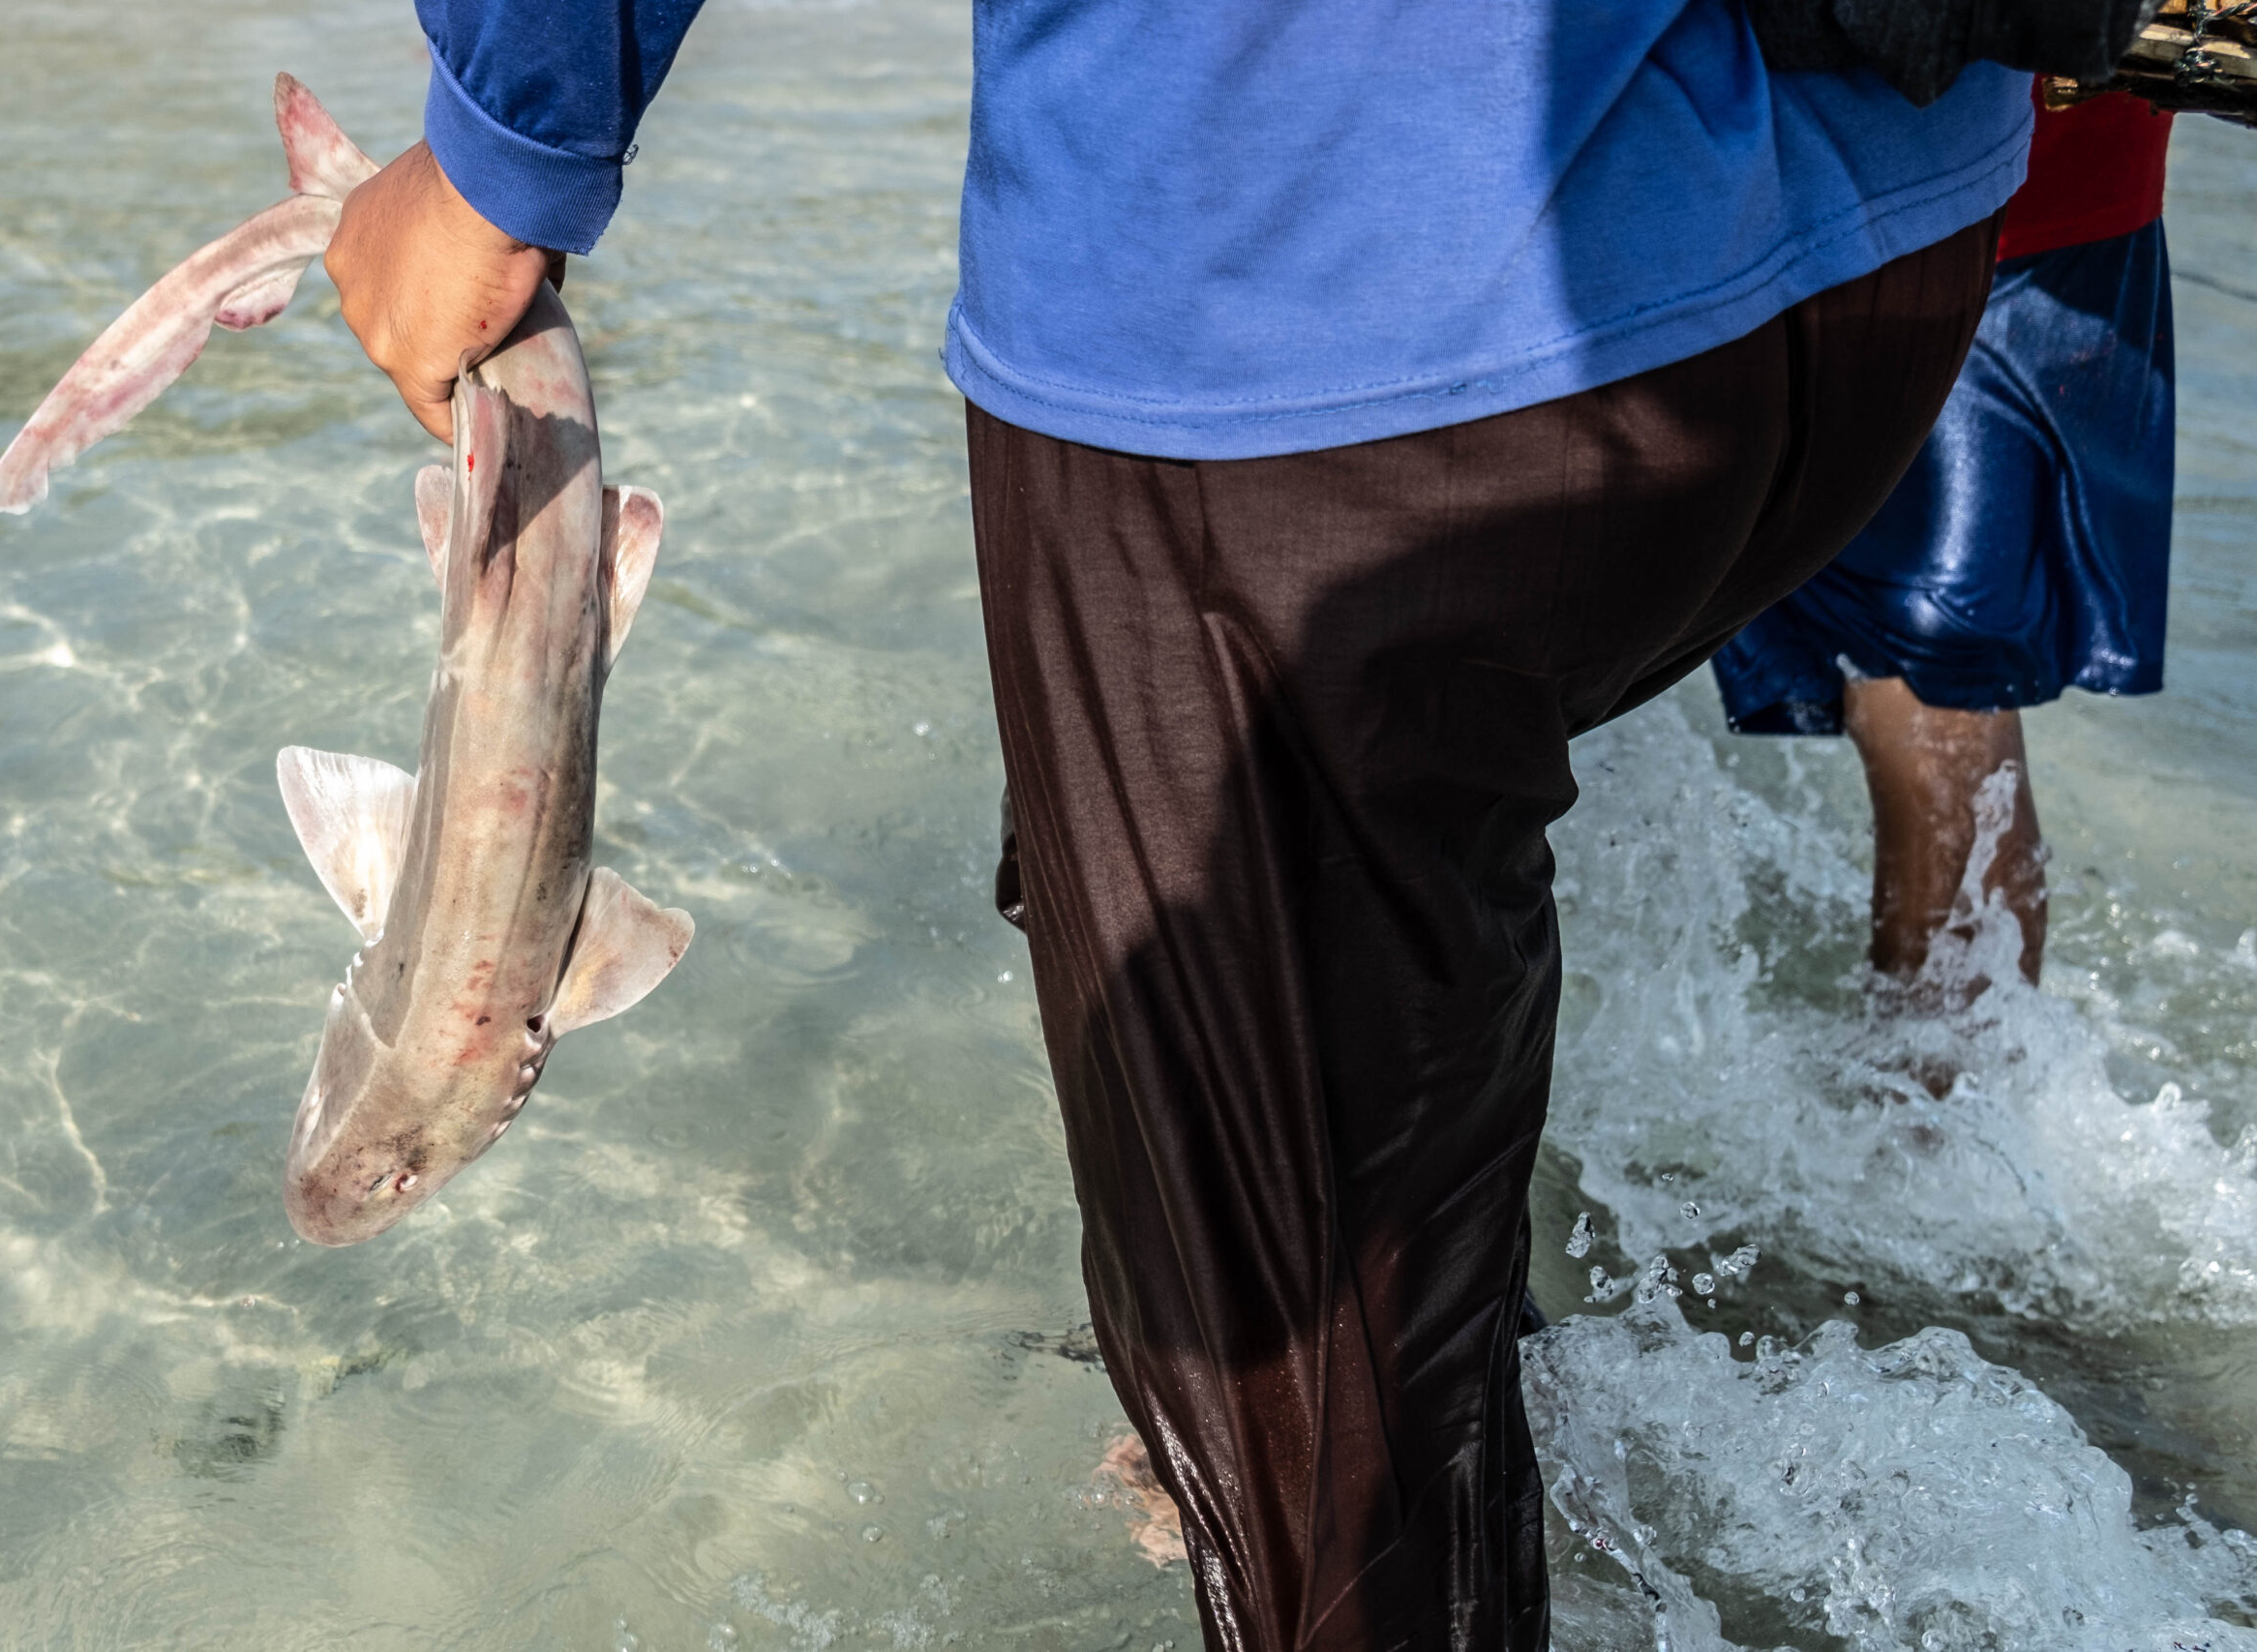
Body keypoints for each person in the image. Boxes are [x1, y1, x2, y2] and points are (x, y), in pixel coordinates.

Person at [319, 5, 2074, 1647]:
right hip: (1877, 251)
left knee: (1312, 1413)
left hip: (1313, 286)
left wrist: (503, 143)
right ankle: (1442, 1366)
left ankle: (1349, 1413)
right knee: (1369, 993)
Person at [1711, 81, 2176, 992]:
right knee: (1924, 693)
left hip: (1931, 180)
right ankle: (1951, 1105)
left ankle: (1929, 1119)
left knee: (1929, 692)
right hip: (2056, 152)